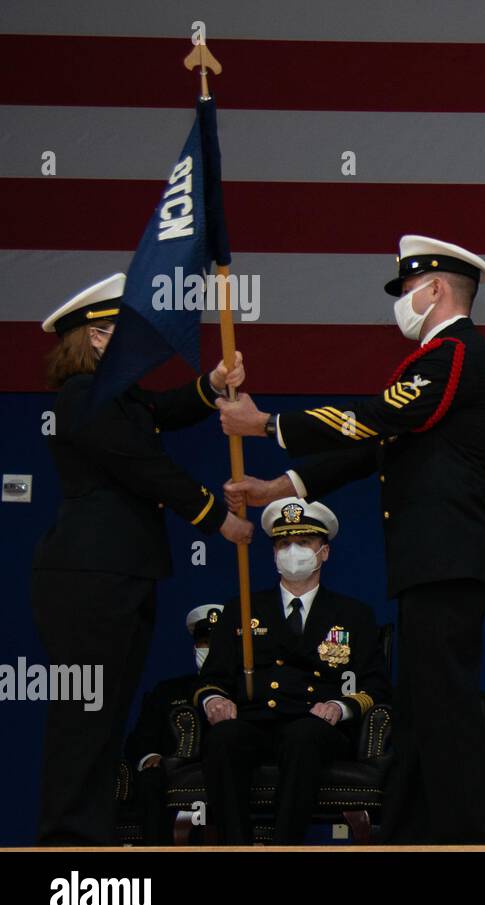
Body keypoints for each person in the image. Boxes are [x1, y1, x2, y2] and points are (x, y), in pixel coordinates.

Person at [214, 235, 485, 843]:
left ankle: (469, 838)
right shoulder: (441, 358)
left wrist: (267, 424)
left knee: (446, 709)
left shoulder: (455, 353)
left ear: (436, 289)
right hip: (430, 560)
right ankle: (411, 833)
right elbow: (375, 447)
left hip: (447, 556)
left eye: (406, 288)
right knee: (423, 711)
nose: (401, 300)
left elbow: (377, 418)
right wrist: (284, 486)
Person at [31, 273, 252, 846]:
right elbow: (142, 464)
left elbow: (162, 411)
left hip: (122, 573)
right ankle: (66, 843)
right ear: (99, 338)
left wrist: (211, 384)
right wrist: (216, 517)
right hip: (90, 577)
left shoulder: (116, 396)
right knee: (83, 717)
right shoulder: (83, 397)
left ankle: (90, 834)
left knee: (106, 718)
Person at [194, 498, 390, 844]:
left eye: (304, 543)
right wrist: (214, 702)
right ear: (273, 555)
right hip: (255, 719)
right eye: (284, 544)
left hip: (315, 725)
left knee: (303, 737)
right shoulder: (242, 608)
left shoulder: (353, 614)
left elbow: (375, 682)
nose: (293, 551)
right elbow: (213, 677)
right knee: (224, 739)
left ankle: (285, 849)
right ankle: (235, 849)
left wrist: (340, 707)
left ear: (324, 552)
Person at [122, 603, 222, 844]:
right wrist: (151, 758)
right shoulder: (167, 691)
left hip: (224, 770)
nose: (210, 649)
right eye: (205, 641)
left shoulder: (247, 690)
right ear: (195, 645)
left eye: (218, 643)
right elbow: (140, 740)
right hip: (170, 771)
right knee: (149, 778)